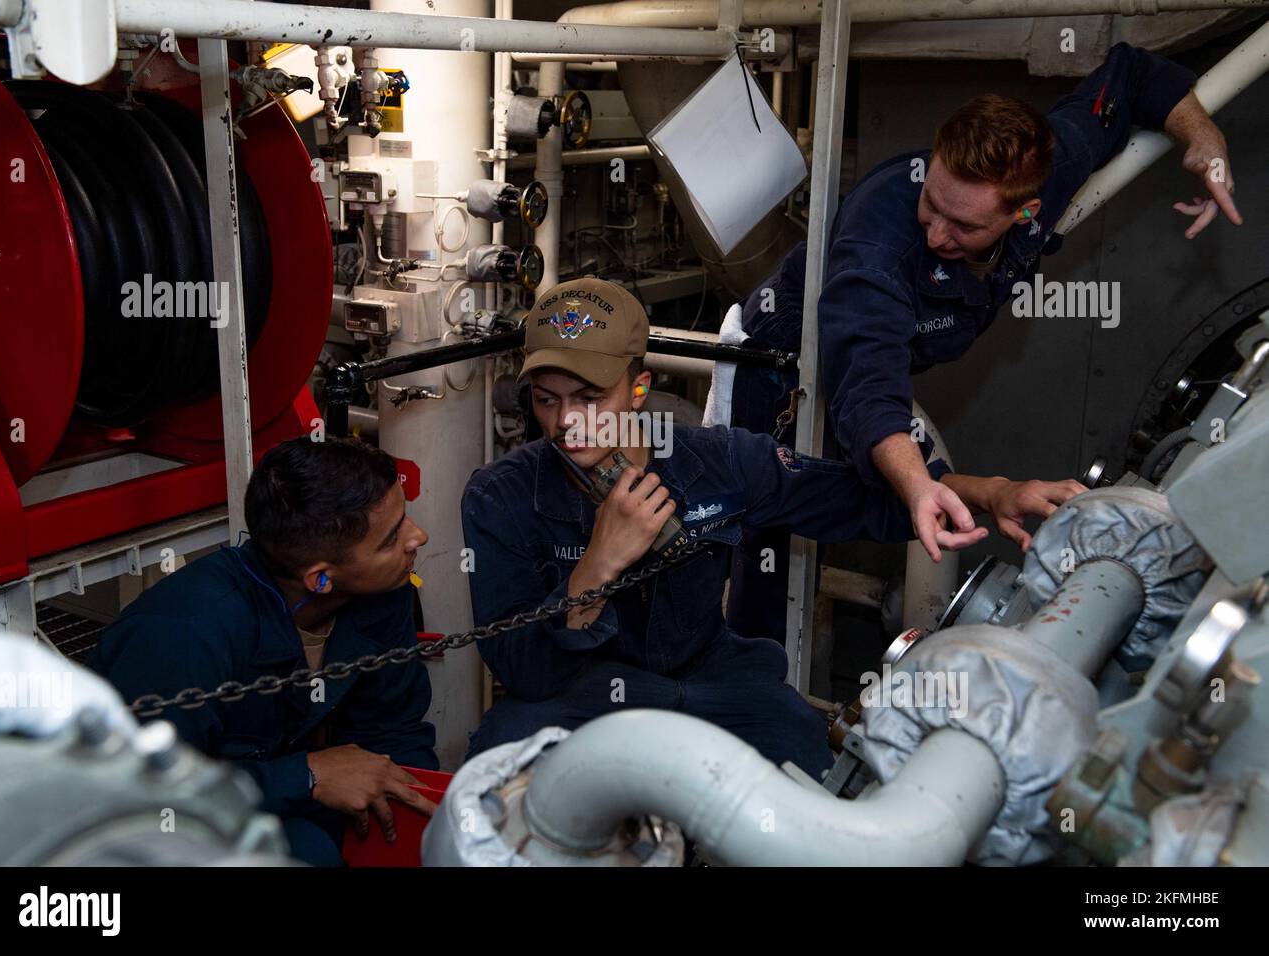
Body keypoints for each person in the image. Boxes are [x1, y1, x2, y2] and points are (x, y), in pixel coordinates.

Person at [727, 41, 1240, 642]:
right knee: (766, 534)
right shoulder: (877, 245)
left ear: (1024, 213)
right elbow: (866, 383)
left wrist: (1205, 139)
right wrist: (919, 485)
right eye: (931, 205)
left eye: (965, 225)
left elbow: (1129, 76)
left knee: (871, 502)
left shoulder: (1049, 168)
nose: (938, 233)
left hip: (883, 370)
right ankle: (748, 681)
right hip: (782, 361)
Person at [460, 277, 1067, 780]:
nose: (567, 422)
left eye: (589, 397)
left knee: (822, 786)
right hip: (580, 693)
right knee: (491, 776)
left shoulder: (716, 463)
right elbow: (520, 670)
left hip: (714, 683)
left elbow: (857, 500)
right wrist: (594, 570)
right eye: (545, 399)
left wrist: (993, 493)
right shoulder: (500, 498)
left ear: (639, 389)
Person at [89, 436, 438, 866]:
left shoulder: (383, 590)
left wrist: (418, 823)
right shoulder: (180, 637)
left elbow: (394, 730)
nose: (417, 537)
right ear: (321, 579)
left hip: (283, 796)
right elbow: (141, 799)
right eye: (390, 539)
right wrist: (304, 776)